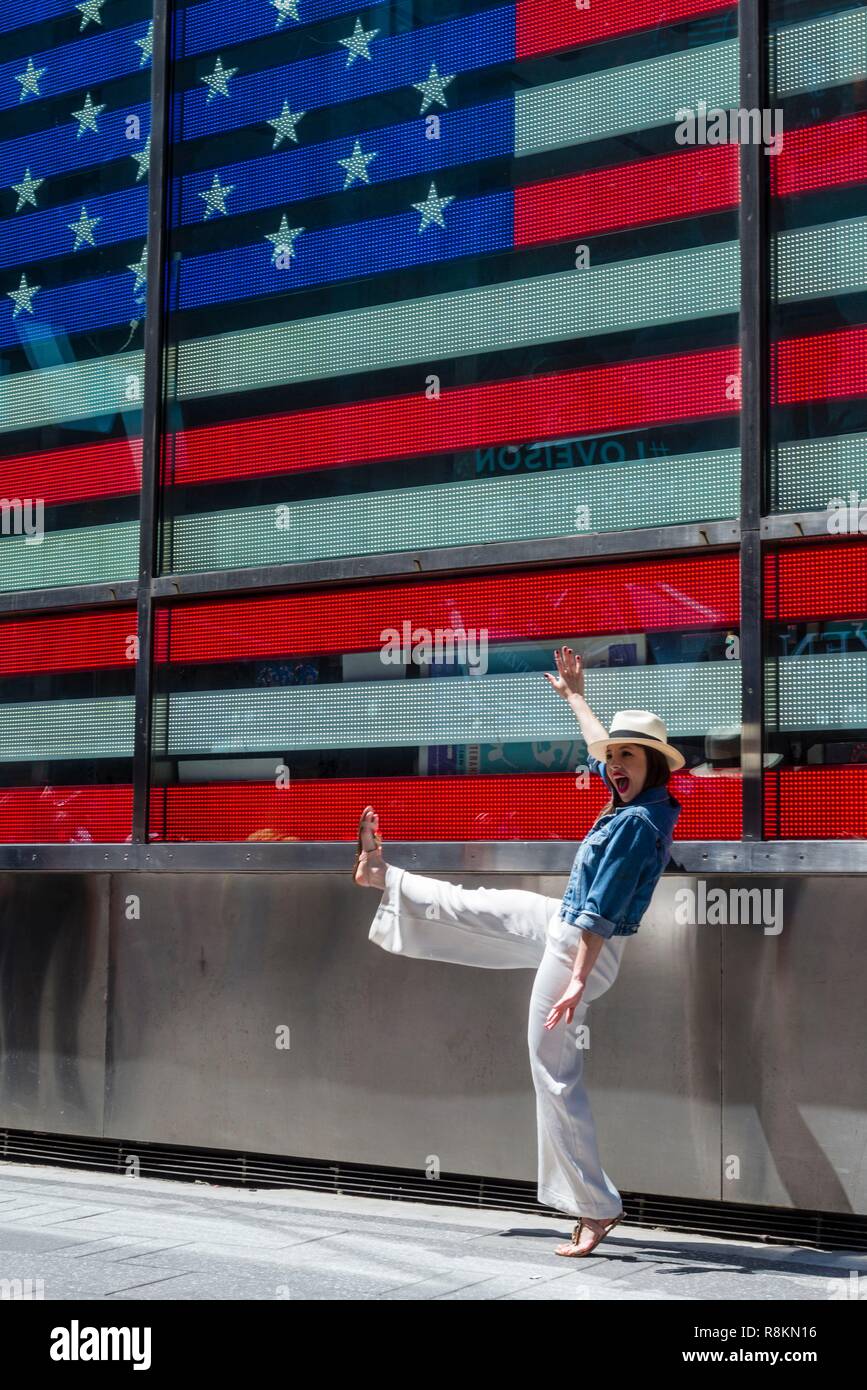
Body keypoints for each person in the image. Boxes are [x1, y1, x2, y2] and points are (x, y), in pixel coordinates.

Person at [353, 647, 684, 1257]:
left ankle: (595, 1207)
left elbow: (601, 913)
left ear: (653, 765)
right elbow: (594, 745)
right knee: (477, 904)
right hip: (564, 929)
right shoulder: (635, 803)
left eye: (627, 756)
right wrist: (577, 695)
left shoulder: (639, 823)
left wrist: (578, 982)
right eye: (613, 757)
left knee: (552, 1073)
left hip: (583, 948)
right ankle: (383, 877)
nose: (613, 764)